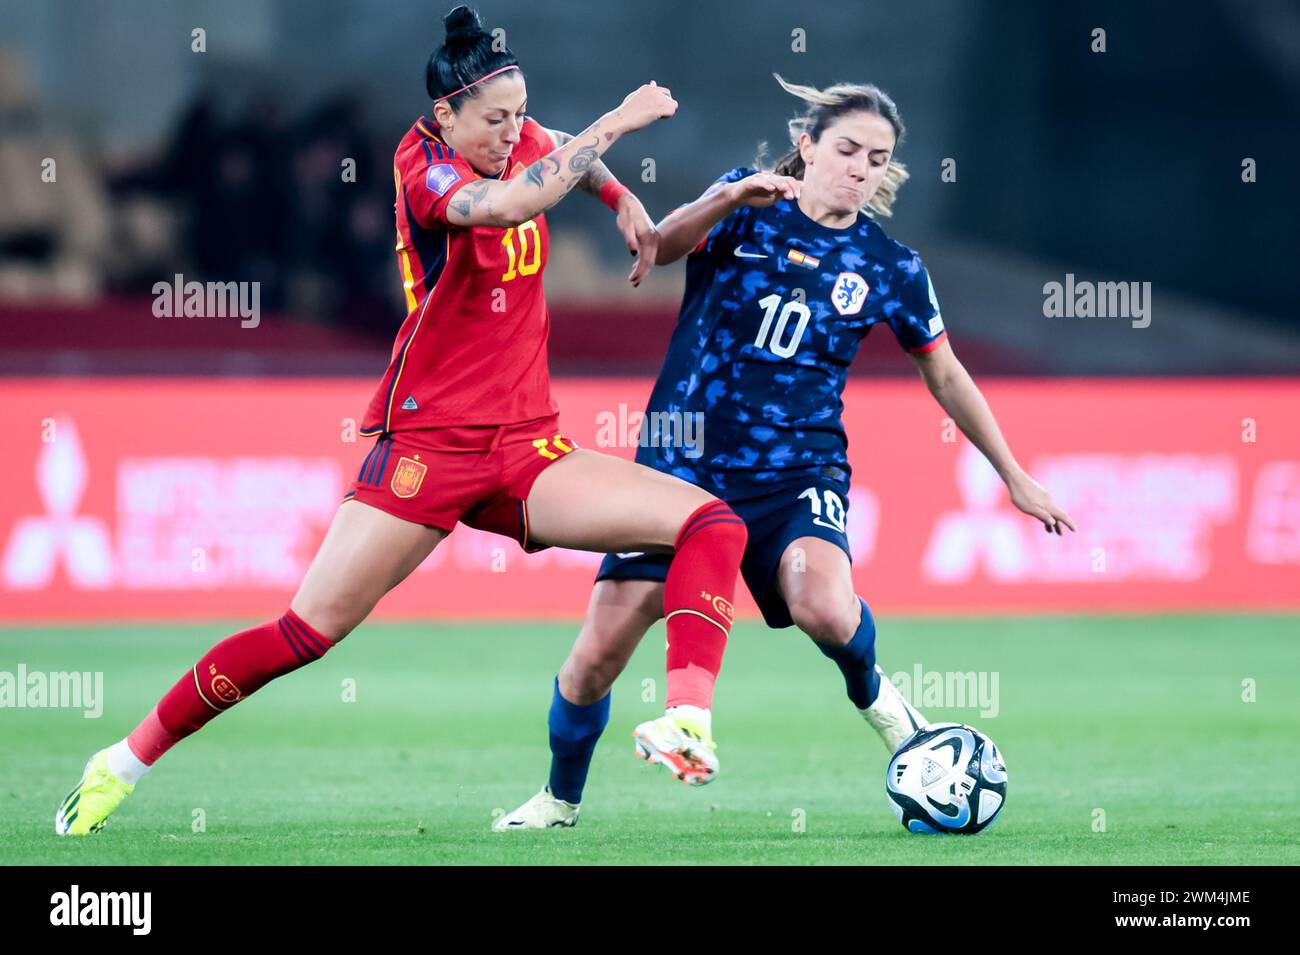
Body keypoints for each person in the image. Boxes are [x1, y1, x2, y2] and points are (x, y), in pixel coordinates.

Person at [54, 5, 749, 837]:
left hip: (529, 449)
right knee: (303, 633)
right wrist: (616, 127)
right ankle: (123, 760)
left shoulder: (519, 137)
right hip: (427, 449)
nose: (512, 132)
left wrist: (616, 193)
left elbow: (548, 143)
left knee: (710, 521)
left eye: (519, 115)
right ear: (445, 116)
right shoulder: (424, 169)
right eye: (493, 119)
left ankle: (683, 722)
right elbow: (499, 208)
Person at [495, 74, 1076, 829]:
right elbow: (658, 246)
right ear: (806, 145)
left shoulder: (889, 266)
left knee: (824, 605)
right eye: (847, 149)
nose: (861, 167)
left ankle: (895, 722)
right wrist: (729, 200)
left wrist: (1014, 473)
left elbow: (946, 371)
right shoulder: (744, 201)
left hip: (797, 471)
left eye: (878, 156)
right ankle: (558, 800)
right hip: (684, 462)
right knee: (597, 654)